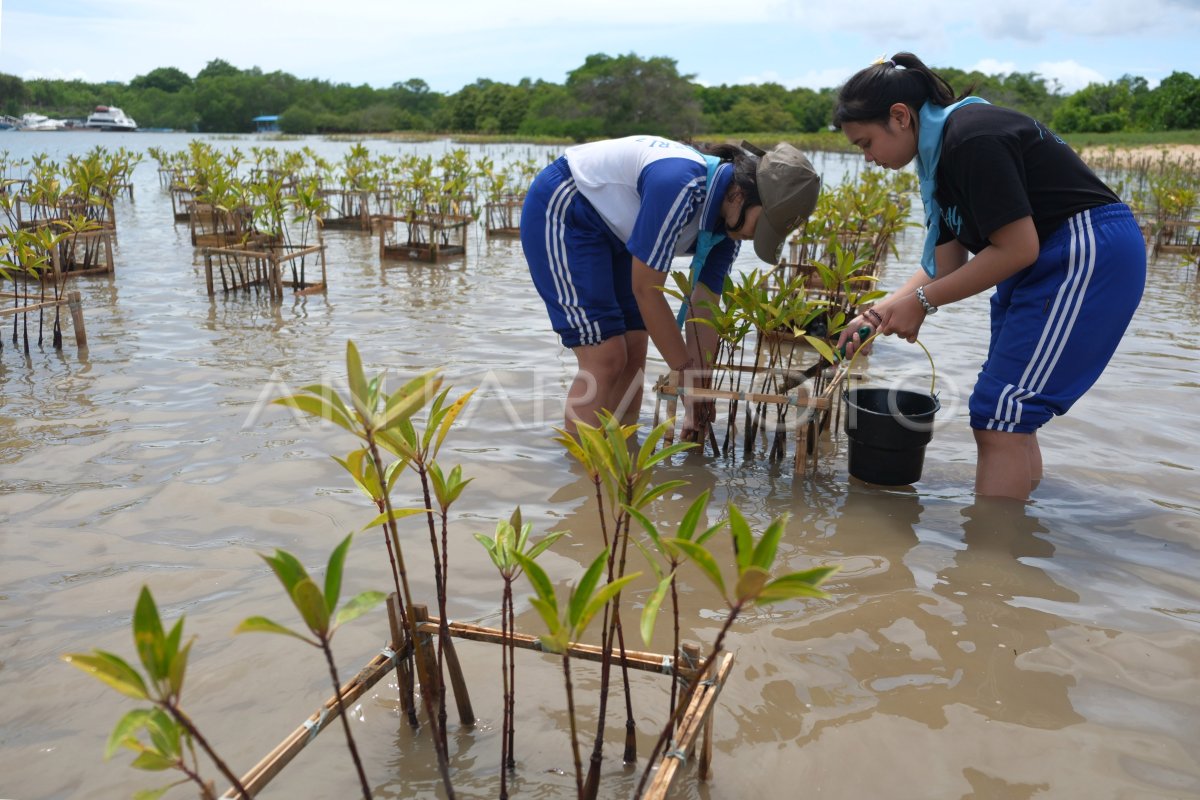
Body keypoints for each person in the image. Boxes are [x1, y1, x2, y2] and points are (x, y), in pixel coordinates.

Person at [834, 53, 1146, 500]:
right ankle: (1014, 541)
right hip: (1043, 263)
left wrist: (921, 303)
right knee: (1008, 414)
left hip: (1083, 252)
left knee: (1001, 412)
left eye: (865, 143)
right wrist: (880, 311)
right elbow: (944, 267)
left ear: (899, 117)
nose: (867, 158)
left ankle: (990, 558)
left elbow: (1018, 248)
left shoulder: (971, 138)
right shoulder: (938, 163)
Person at [521, 135, 820, 436]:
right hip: (568, 207)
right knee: (606, 356)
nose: (756, 236)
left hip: (619, 233)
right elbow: (646, 290)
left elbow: (704, 309)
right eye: (762, 225)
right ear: (740, 194)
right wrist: (685, 372)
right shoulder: (681, 184)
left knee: (635, 349)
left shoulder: (728, 230)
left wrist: (697, 395)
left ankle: (625, 459)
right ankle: (585, 475)